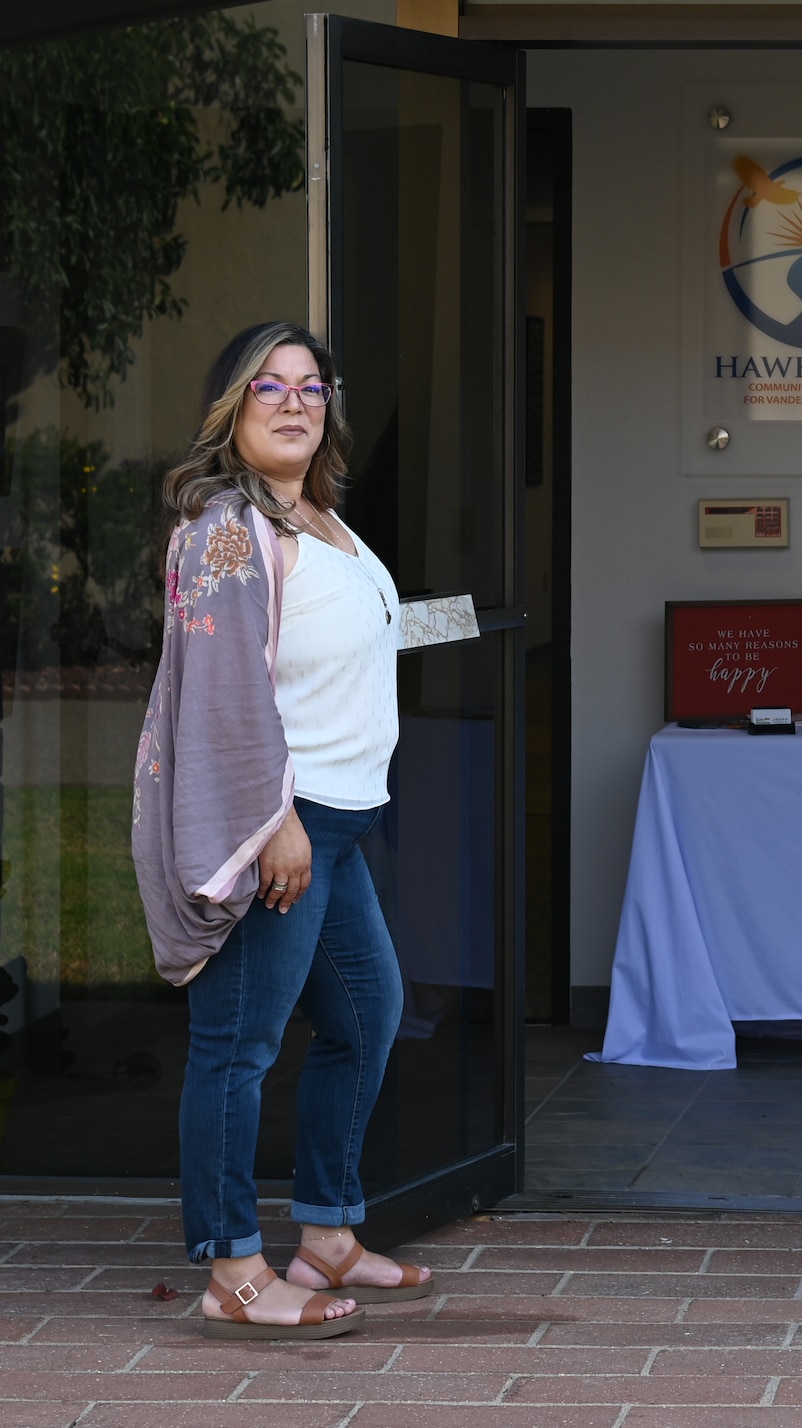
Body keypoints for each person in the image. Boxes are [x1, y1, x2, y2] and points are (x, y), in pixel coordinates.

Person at [133, 321, 435, 1341]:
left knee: (364, 1019)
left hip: (342, 822)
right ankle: (231, 1267)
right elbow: (222, 694)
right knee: (236, 1047)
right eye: (269, 386)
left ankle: (329, 1232)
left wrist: (483, 618)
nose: (295, 401)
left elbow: (363, 629)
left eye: (313, 385)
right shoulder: (225, 527)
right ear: (232, 409)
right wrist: (272, 823)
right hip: (287, 826)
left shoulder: (320, 520)